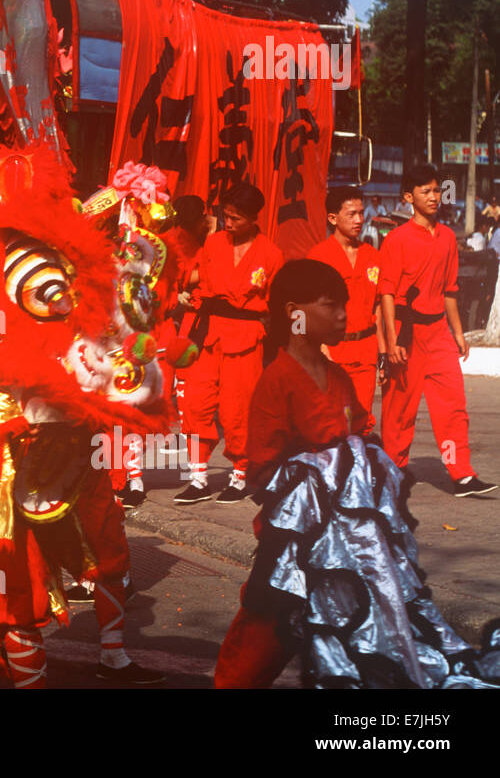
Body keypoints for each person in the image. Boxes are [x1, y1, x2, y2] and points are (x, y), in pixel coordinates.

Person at [213, 258, 374, 688]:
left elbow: (363, 438)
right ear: (293, 313)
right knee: (260, 646)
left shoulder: (340, 378)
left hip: (343, 545)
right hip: (292, 545)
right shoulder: (277, 380)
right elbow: (264, 471)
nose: (343, 315)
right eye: (330, 305)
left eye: (344, 304)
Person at [378, 165, 496, 496]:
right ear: (408, 197)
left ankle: (460, 474)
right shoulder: (396, 240)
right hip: (406, 331)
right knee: (400, 407)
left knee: (452, 405)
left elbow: (450, 290)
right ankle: (394, 469)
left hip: (438, 332)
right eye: (425, 191)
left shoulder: (446, 237)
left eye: (436, 190)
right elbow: (386, 293)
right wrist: (389, 342)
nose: (434, 196)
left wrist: (458, 333)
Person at [174, 182, 283, 504]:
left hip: (247, 337)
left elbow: (277, 305)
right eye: (225, 216)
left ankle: (240, 475)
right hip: (207, 332)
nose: (229, 223)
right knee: (195, 403)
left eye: (235, 218)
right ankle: (198, 476)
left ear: (253, 218)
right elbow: (197, 281)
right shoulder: (213, 244)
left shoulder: (271, 254)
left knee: (237, 411)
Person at [308, 186, 386, 414]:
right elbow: (309, 309)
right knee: (331, 418)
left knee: (361, 418)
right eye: (351, 214)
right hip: (333, 350)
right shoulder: (318, 257)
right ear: (333, 218)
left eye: (361, 213)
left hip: (365, 350)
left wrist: (382, 352)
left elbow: (378, 306)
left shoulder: (373, 256)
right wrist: (319, 347)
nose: (359, 220)